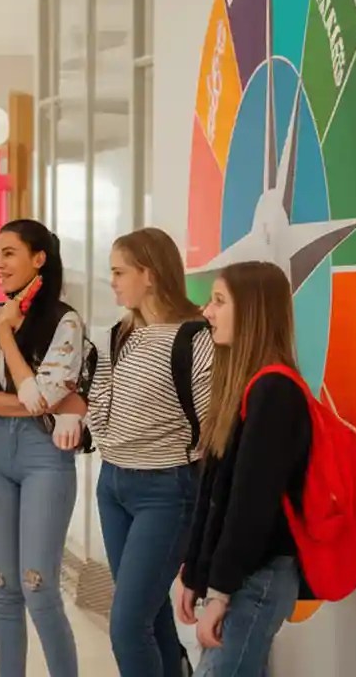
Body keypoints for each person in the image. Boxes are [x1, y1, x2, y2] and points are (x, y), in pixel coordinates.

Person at [86, 228, 213, 677]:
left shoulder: (196, 338)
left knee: (125, 625)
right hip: (112, 483)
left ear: (151, 274)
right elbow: (98, 411)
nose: (114, 282)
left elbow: (210, 424)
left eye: (120, 272)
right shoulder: (117, 334)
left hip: (166, 490)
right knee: (149, 612)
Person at [0, 219, 87, 677]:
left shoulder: (64, 320)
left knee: (39, 587)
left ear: (39, 258)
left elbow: (46, 398)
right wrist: (33, 401)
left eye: (9, 253)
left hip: (45, 461)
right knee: (4, 589)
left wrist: (7, 333)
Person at [176, 261, 311, 676]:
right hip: (239, 578)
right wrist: (194, 572)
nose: (205, 311)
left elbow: (251, 506)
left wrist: (219, 592)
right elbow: (213, 490)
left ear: (251, 311)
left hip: (256, 578)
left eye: (218, 301)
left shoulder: (275, 391)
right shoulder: (241, 385)